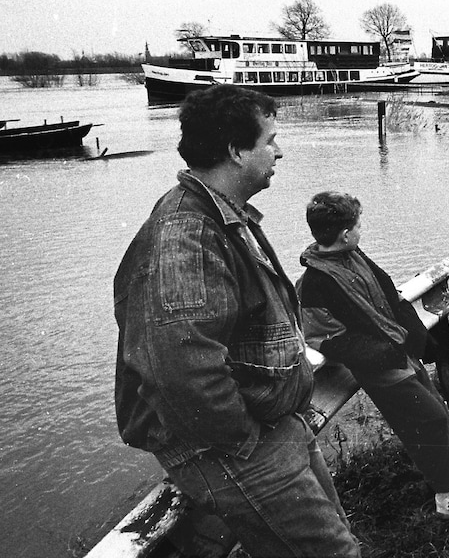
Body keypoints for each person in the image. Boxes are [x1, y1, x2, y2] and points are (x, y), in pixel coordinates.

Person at [113, 84, 359, 557]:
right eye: (270, 141)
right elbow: (180, 372)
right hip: (237, 446)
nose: (279, 152)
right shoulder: (186, 238)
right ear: (235, 151)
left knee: (339, 542)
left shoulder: (223, 216)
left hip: (272, 424)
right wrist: (245, 439)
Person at [298, 191, 449, 520]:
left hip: (399, 355)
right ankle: (447, 494)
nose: (362, 229)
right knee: (425, 421)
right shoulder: (314, 282)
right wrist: (385, 352)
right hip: (380, 366)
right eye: (358, 225)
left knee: (436, 413)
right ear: (344, 234)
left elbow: (390, 296)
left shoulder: (354, 256)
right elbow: (322, 336)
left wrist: (417, 341)